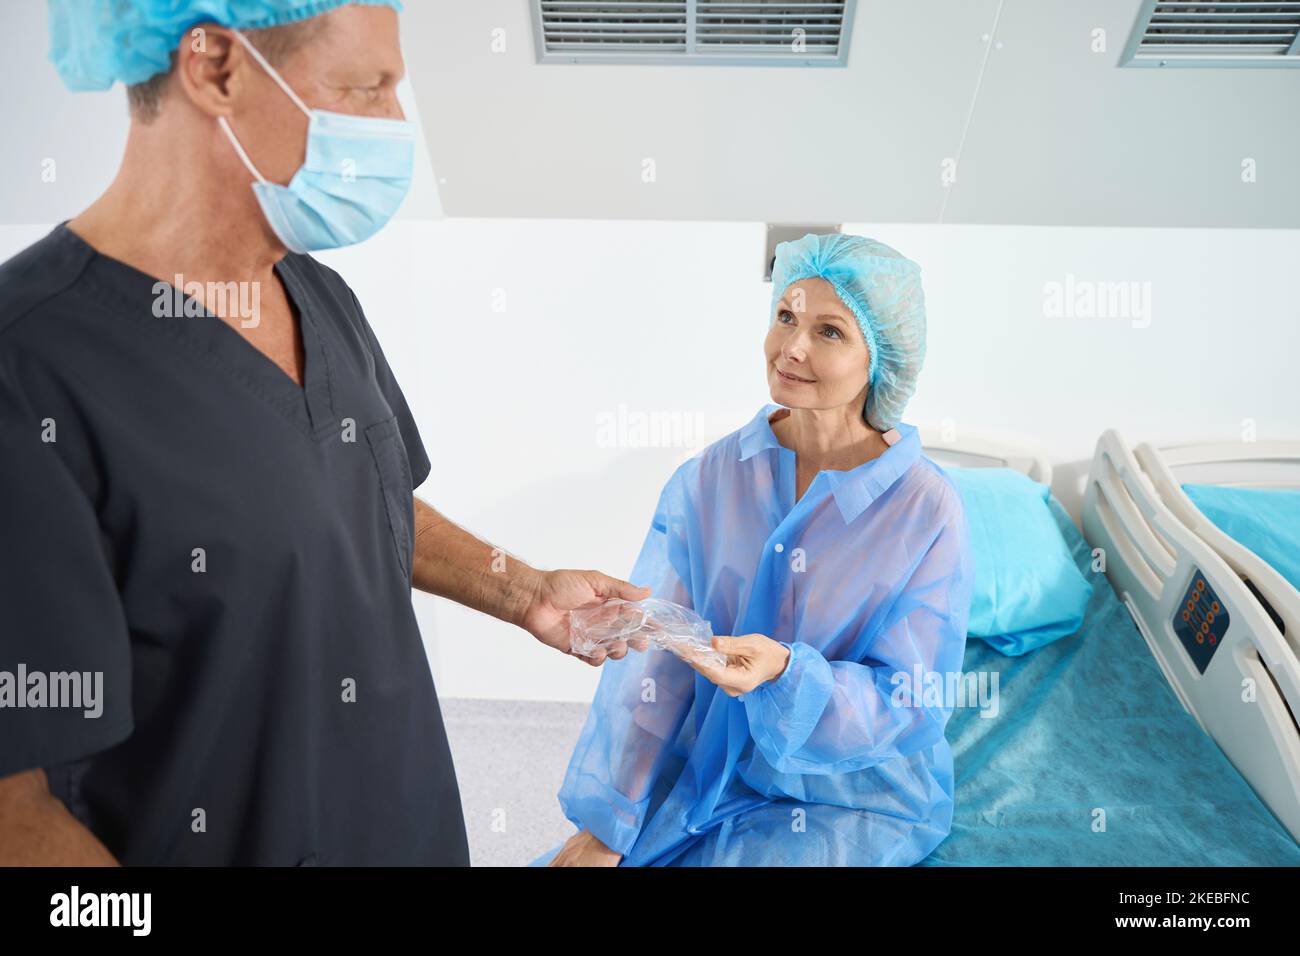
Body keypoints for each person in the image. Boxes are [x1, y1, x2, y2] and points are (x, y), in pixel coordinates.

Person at [0, 0, 647, 866]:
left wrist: (525, 592)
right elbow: (16, 815)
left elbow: (362, 505)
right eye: (365, 88)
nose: (393, 127)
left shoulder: (319, 298)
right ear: (217, 67)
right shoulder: (29, 366)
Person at [539, 233, 974, 867]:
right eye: (786, 317)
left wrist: (788, 677)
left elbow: (910, 701)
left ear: (878, 357)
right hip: (708, 758)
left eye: (829, 332)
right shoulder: (712, 477)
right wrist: (609, 823)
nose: (791, 347)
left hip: (846, 793)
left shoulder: (925, 510)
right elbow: (658, 659)